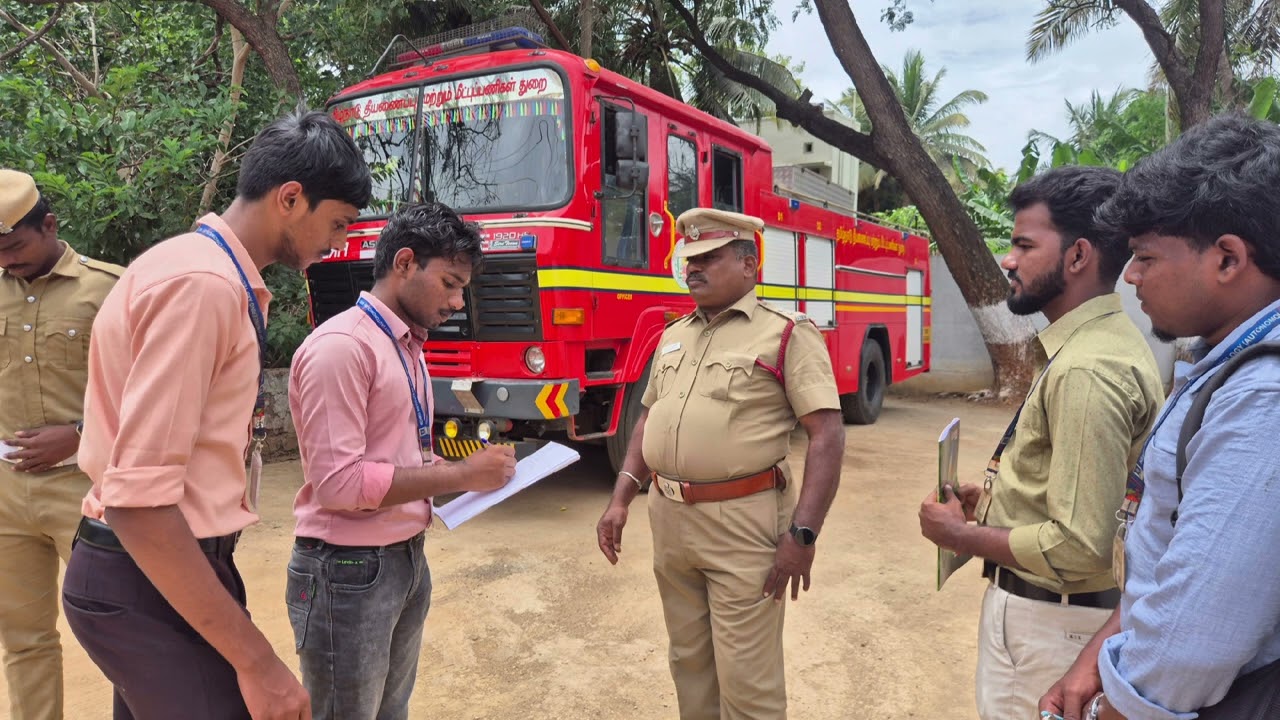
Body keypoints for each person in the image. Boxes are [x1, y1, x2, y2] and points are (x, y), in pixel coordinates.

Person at [60, 110, 371, 720]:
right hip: (145, 570)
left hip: (170, 568)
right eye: (338, 223)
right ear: (290, 198)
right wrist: (259, 664)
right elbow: (138, 500)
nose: (339, 242)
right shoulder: (203, 286)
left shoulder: (194, 267)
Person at [1039, 114, 1280, 720]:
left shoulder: (1262, 397)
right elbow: (1169, 556)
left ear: (1227, 259)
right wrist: (1099, 653)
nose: (1130, 275)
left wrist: (1112, 710)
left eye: (1145, 256)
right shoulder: (1225, 363)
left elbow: (1192, 643)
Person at [917, 166, 1164, 720]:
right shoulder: (1099, 344)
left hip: (1053, 627)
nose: (1008, 260)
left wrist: (962, 535)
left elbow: (1079, 546)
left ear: (1077, 256)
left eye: (1024, 244)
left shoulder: (1087, 368)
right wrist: (997, 502)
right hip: (1064, 620)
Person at [595, 207, 846, 720]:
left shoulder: (786, 334)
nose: (693, 268)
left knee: (747, 682)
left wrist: (802, 536)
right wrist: (621, 497)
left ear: (750, 264)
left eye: (709, 257)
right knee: (689, 663)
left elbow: (827, 436)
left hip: (743, 525)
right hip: (670, 519)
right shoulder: (674, 334)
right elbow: (648, 421)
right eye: (688, 258)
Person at [285, 202, 515, 719]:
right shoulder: (343, 348)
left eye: (463, 289)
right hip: (347, 571)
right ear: (405, 262)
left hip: (403, 560)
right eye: (450, 283)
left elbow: (404, 451)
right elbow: (340, 485)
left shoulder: (407, 346)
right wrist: (460, 475)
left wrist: (458, 474)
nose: (458, 302)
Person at [0, 170, 123, 720]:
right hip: (6, 496)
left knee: (123, 631)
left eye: (15, 246)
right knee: (24, 642)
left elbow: (147, 397)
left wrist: (77, 435)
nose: (6, 261)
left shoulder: (112, 289)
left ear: (49, 224)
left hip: (88, 489)